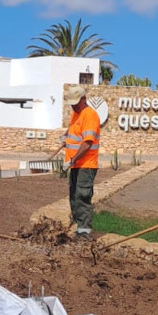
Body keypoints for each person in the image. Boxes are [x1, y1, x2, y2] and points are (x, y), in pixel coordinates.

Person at [59, 84, 101, 239]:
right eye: (72, 103)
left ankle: (84, 234)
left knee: (82, 197)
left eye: (76, 103)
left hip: (86, 164)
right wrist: (65, 136)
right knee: (73, 196)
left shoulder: (90, 115)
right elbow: (73, 129)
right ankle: (78, 228)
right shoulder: (76, 113)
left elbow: (87, 143)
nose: (74, 106)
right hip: (76, 164)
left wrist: (72, 160)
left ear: (84, 99)